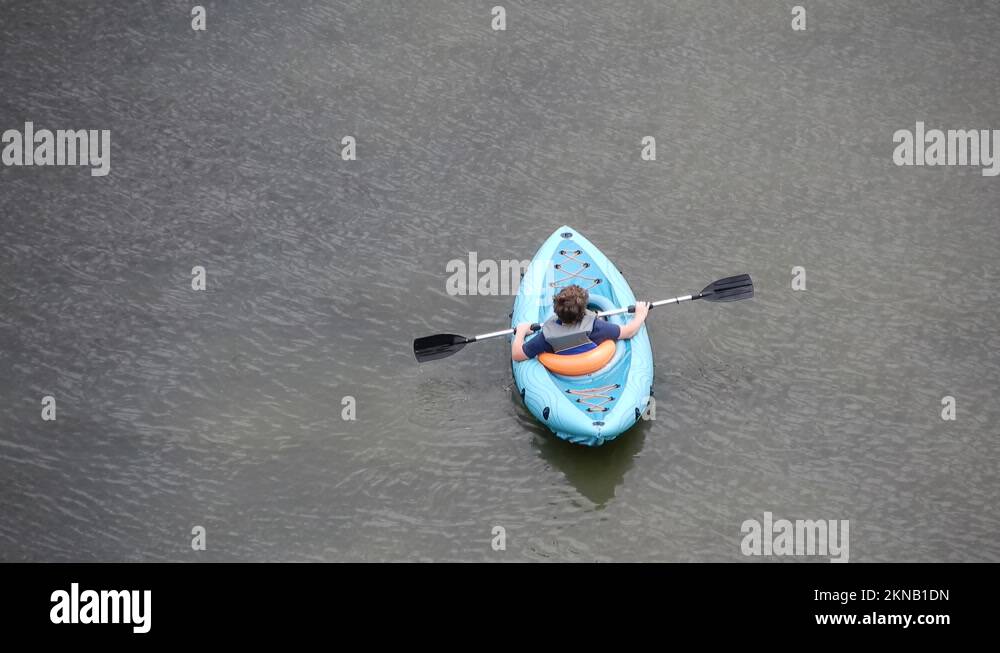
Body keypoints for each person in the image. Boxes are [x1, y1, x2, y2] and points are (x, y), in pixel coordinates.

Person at [511, 284, 649, 362]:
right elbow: (629, 331)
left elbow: (517, 355)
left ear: (556, 310)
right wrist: (640, 314)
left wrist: (521, 331)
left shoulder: (546, 337)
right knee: (602, 319)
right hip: (594, 363)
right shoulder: (596, 327)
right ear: (584, 311)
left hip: (564, 368)